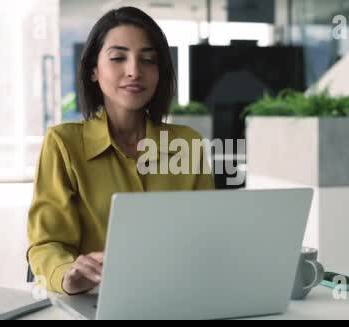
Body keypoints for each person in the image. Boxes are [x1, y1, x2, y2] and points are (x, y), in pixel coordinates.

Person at [27, 7, 215, 295]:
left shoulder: (187, 144)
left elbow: (206, 237)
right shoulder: (63, 144)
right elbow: (47, 243)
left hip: (176, 296)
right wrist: (67, 274)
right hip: (95, 299)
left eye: (148, 60)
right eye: (118, 58)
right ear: (93, 70)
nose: (134, 71)